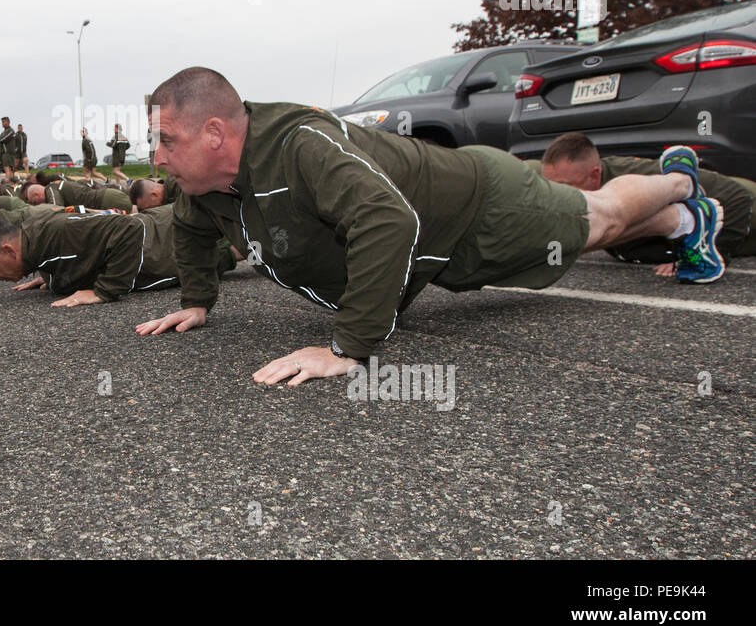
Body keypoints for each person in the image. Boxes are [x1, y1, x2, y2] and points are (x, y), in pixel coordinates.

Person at [134, 66, 726, 388]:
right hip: (437, 253)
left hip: (481, 204)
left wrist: (347, 348)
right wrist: (197, 301)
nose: (156, 159)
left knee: (598, 220)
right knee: (593, 231)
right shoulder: (205, 187)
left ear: (215, 133)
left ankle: (678, 182)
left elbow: (386, 221)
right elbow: (190, 229)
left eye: (166, 141)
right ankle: (684, 222)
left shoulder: (301, 145)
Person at [538, 131, 756, 274]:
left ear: (594, 175)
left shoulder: (638, 183)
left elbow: (736, 198)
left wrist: (700, 252)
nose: (556, 196)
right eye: (550, 187)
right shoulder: (588, 195)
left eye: (564, 186)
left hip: (746, 209)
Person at [0, 204, 236, 306]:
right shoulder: (36, 244)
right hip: (163, 232)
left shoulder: (55, 233)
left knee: (241, 245)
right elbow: (74, 252)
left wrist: (104, 291)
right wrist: (51, 275)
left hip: (166, 242)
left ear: (9, 250)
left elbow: (128, 229)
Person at [0, 117, 17, 182]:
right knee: (9, 169)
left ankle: (7, 183)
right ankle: (10, 182)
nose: (2, 123)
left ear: (8, 122)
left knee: (8, 169)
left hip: (8, 153)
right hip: (4, 153)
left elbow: (3, 139)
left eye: (3, 122)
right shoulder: (3, 132)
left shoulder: (11, 131)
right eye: (2, 122)